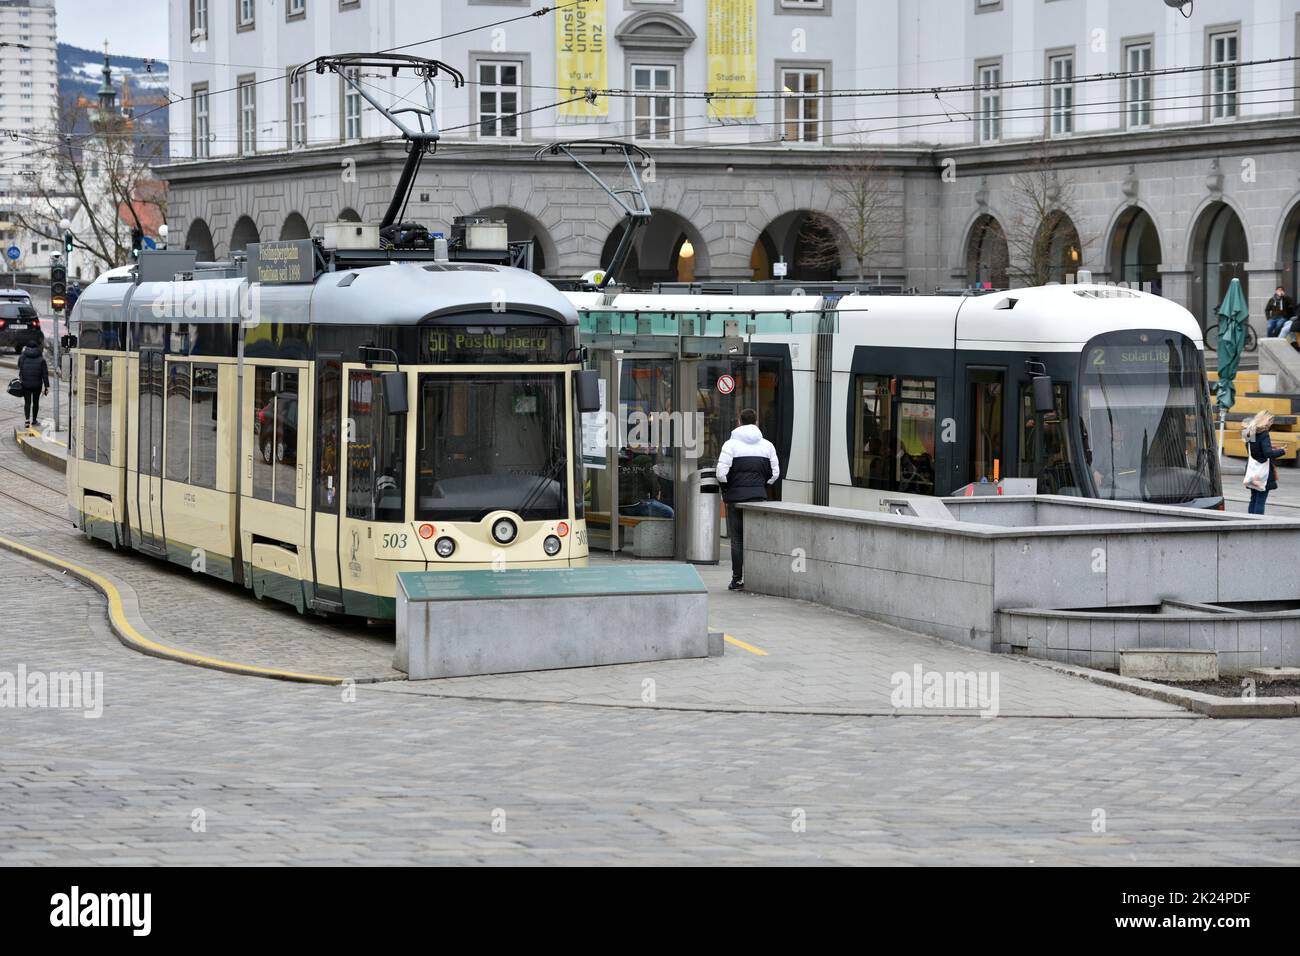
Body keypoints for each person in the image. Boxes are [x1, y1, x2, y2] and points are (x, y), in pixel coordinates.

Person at [716, 407, 780, 591]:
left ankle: (737, 579)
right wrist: (762, 486)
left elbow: (721, 473)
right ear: (756, 422)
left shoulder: (730, 445)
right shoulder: (767, 445)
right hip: (758, 498)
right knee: (757, 538)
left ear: (739, 421)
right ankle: (758, 580)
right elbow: (775, 473)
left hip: (735, 498)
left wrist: (728, 488)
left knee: (737, 540)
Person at [1244, 409, 1285, 515]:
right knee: (1260, 500)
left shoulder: (1249, 432)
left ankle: (1249, 522)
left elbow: (1250, 449)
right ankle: (1258, 523)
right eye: (1271, 421)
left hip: (1252, 469)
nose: (1271, 423)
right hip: (1263, 472)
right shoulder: (1264, 434)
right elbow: (1268, 453)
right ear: (1266, 420)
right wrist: (1282, 451)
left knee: (1253, 498)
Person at [16, 341, 49, 429]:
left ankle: (27, 420)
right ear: (37, 348)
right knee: (35, 402)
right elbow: (44, 374)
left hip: (25, 384)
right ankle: (34, 420)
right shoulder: (41, 359)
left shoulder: (22, 357)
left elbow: (19, 367)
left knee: (27, 402)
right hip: (37, 385)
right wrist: (46, 387)